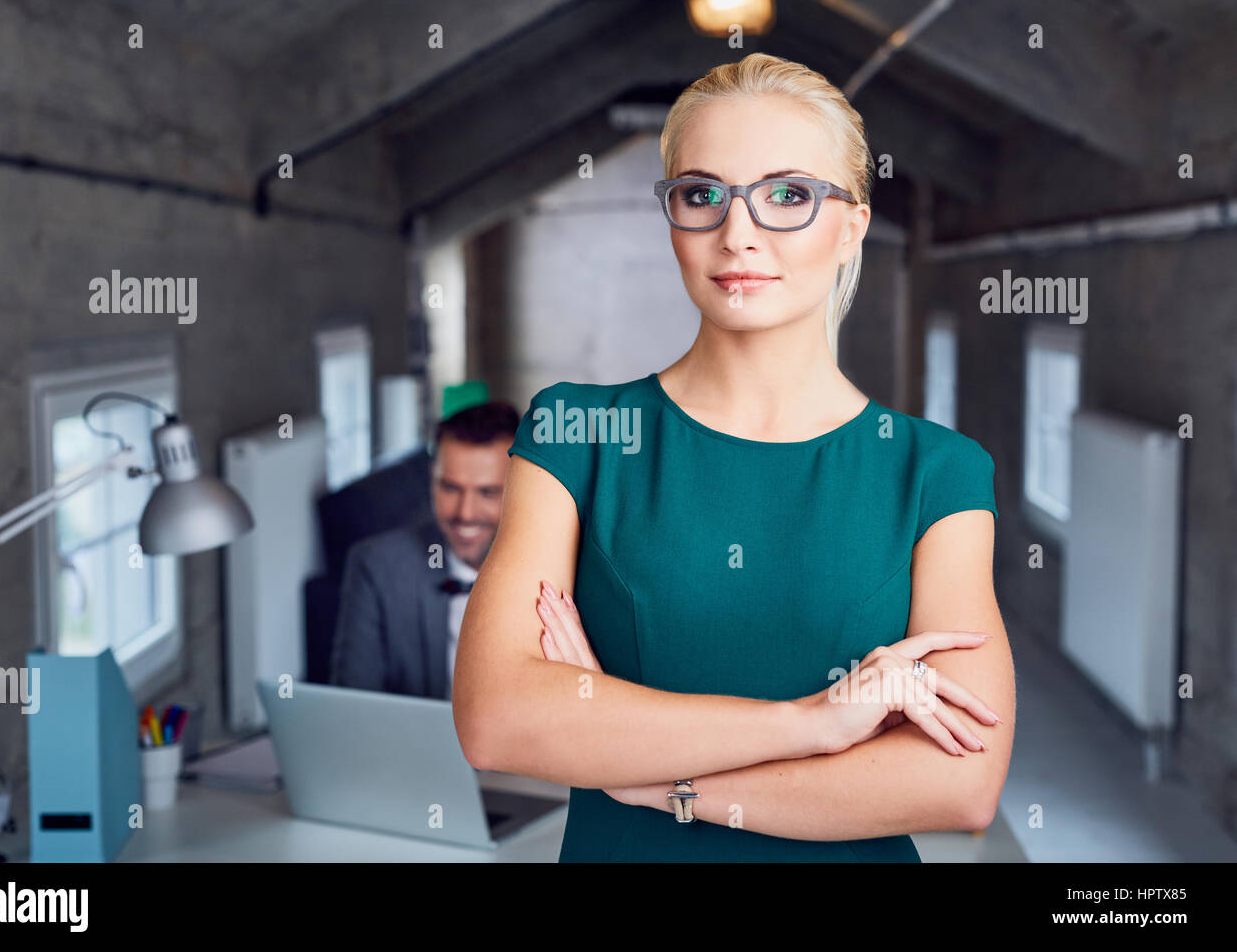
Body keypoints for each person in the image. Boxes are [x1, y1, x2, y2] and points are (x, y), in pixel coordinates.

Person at [453, 53, 1015, 861]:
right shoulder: (576, 432)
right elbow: (498, 717)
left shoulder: (935, 472)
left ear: (852, 223)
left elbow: (959, 784)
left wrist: (651, 781)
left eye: (788, 195)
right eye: (703, 194)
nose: (738, 233)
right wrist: (812, 724)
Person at [330, 400, 519, 700]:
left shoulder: (566, 573)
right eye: (450, 488)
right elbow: (352, 708)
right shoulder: (376, 567)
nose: (465, 513)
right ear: (430, 480)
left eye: (488, 492)